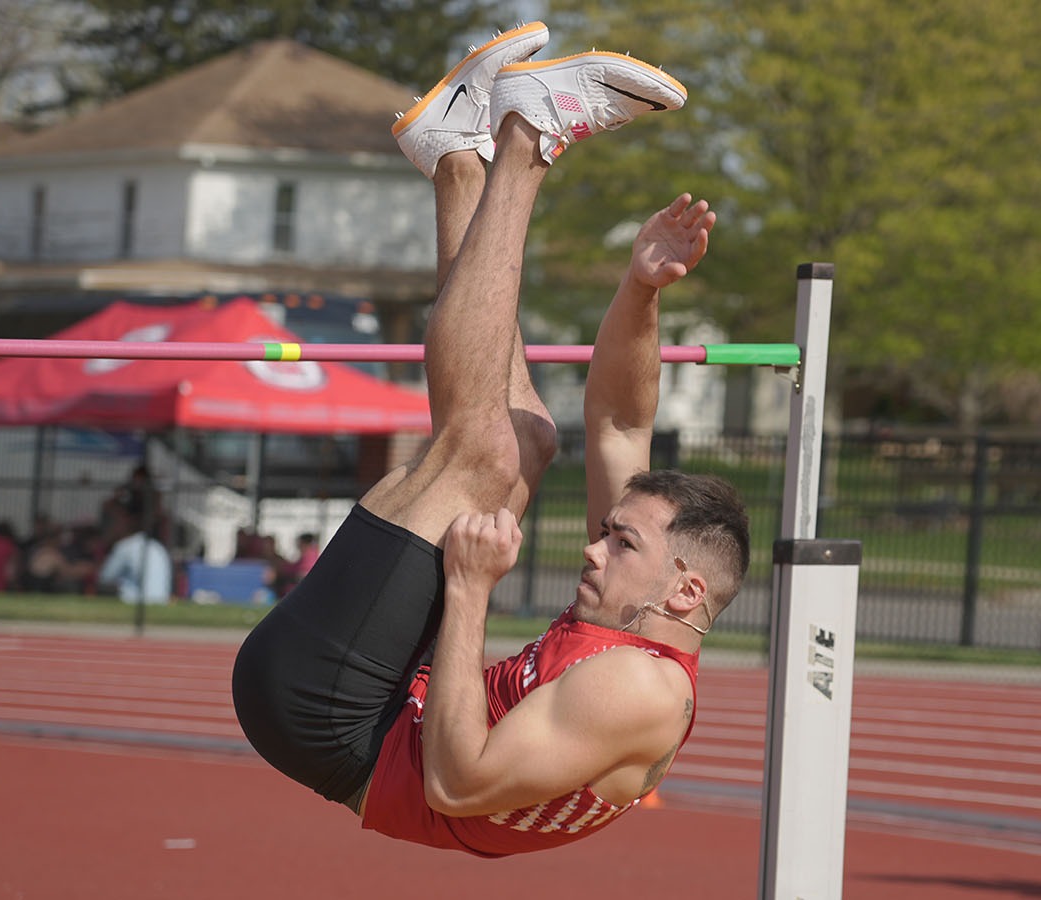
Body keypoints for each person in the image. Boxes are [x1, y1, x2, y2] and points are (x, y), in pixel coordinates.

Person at [232, 24, 746, 858]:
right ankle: (457, 159)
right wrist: (642, 287)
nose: (591, 551)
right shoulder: (632, 635)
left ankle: (526, 140)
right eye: (610, 535)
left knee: (484, 459)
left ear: (684, 592)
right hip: (387, 699)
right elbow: (621, 420)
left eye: (621, 544)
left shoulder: (637, 689)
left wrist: (469, 592)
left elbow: (457, 786)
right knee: (529, 439)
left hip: (332, 719)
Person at [97, 499, 173, 604]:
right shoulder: (157, 547)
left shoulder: (125, 547)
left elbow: (104, 579)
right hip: (161, 605)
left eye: (113, 521)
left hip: (134, 605)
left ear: (128, 521)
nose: (110, 526)